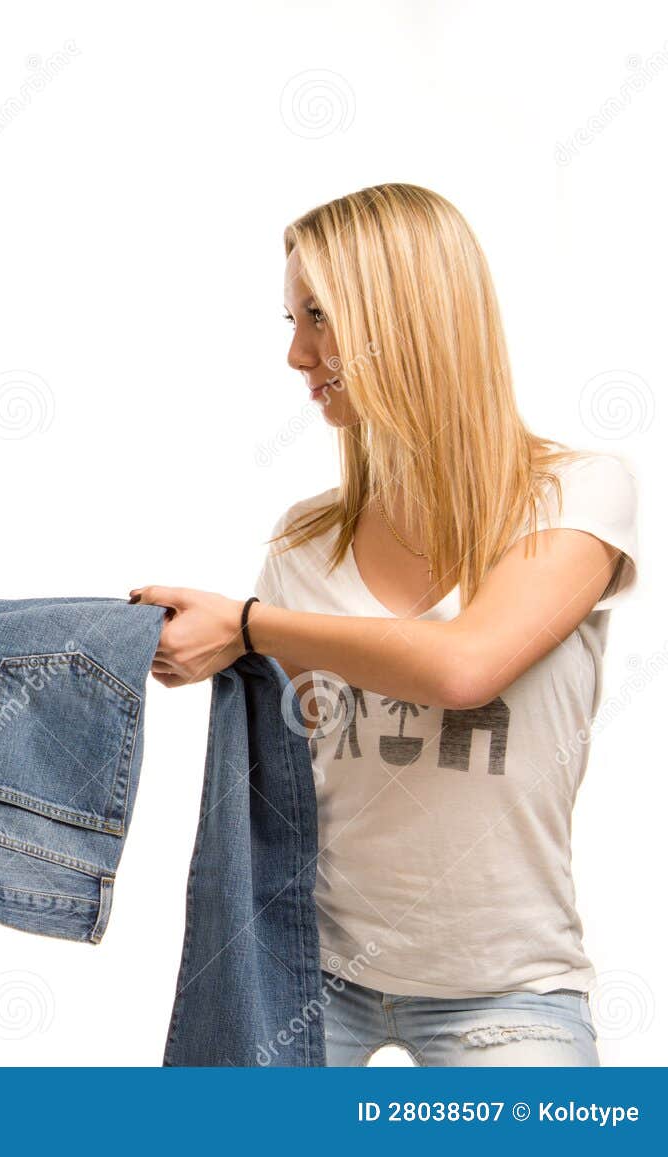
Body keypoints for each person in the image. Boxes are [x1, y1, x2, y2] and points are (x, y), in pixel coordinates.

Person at [129, 183, 639, 1066]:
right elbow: (273, 783)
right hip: (309, 980)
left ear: (406, 314)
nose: (296, 353)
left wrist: (250, 626)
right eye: (293, 319)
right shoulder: (304, 545)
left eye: (320, 315)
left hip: (511, 995)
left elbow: (463, 666)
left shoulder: (576, 497)